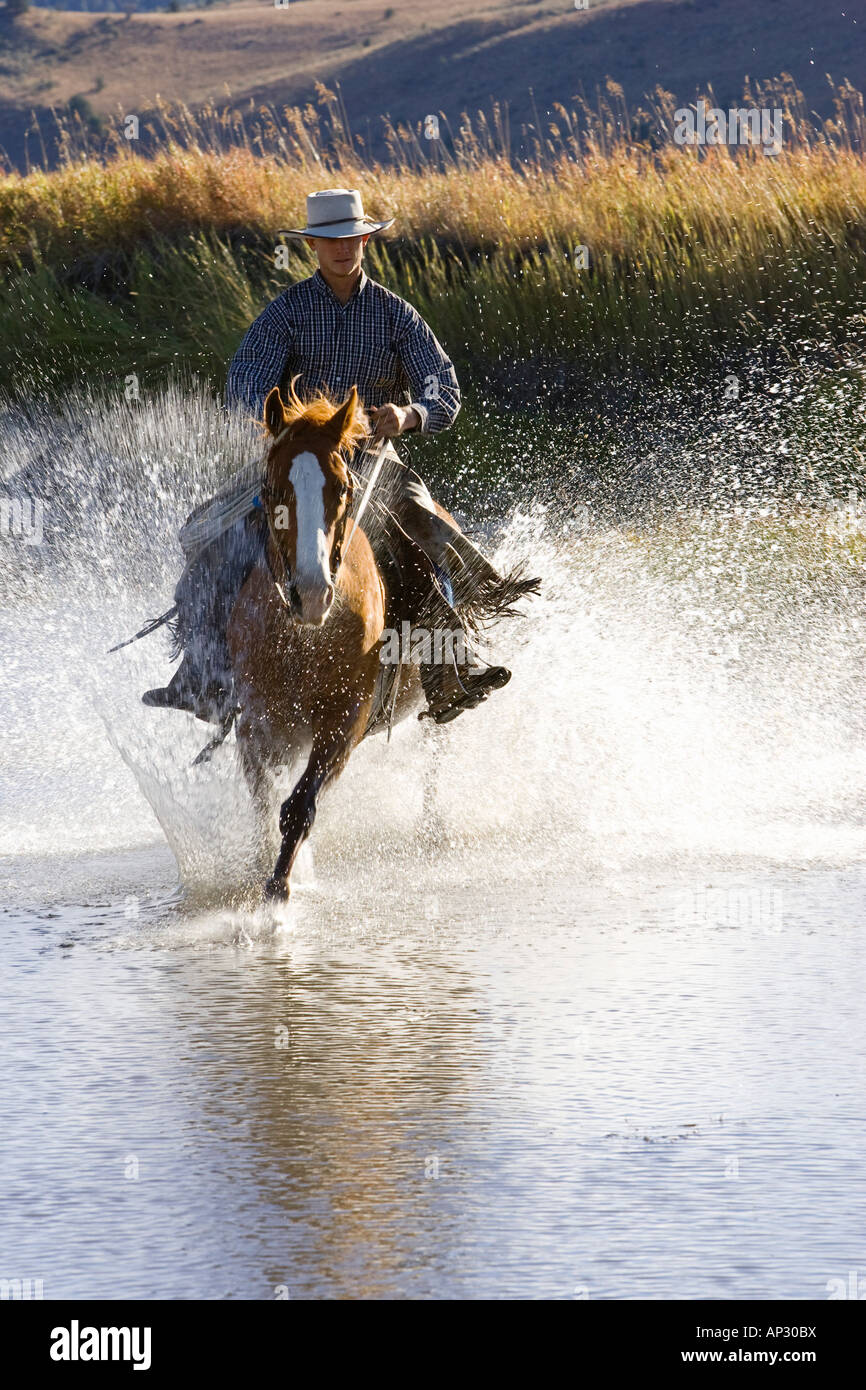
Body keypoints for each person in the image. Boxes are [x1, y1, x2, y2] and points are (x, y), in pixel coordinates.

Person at [143, 187, 514, 727]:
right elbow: (245, 380)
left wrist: (408, 415)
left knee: (426, 541)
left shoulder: (397, 316)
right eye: (330, 240)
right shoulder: (286, 312)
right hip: (294, 460)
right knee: (214, 541)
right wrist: (279, 428)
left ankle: (448, 670)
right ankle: (202, 676)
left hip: (369, 461)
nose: (343, 248)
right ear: (314, 245)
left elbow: (445, 389)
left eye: (351, 238)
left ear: (365, 239)